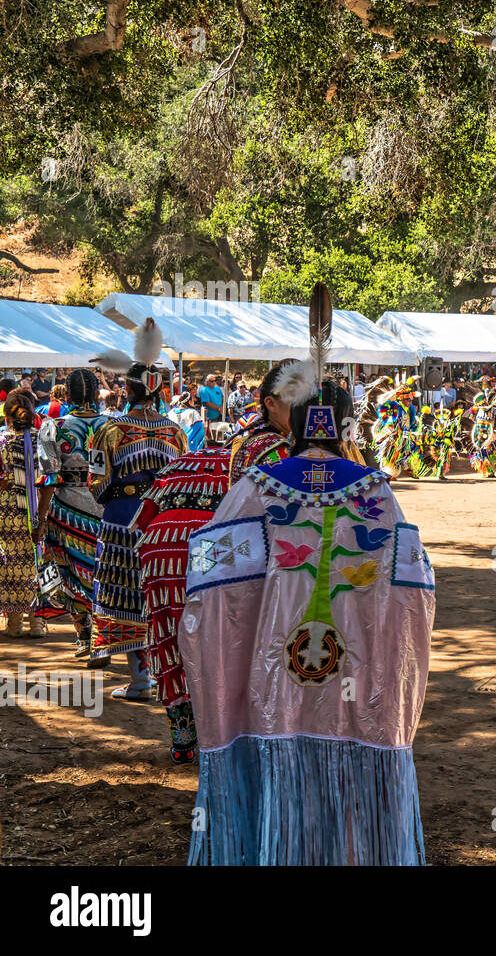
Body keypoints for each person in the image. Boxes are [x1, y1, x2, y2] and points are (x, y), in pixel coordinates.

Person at [180, 286, 435, 864]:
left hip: (274, 688)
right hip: (354, 689)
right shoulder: (376, 494)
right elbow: (413, 602)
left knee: (281, 735)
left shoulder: (254, 489)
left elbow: (209, 600)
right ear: (344, 423)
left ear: (290, 420)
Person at [86, 319, 189, 698]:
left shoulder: (110, 430)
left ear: (126, 389)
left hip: (121, 518)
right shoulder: (174, 431)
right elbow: (180, 481)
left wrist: (113, 497)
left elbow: (96, 481)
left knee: (124, 589)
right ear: (158, 390)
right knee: (157, 589)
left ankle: (140, 678)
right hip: (162, 520)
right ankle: (165, 677)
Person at [33, 369, 108, 656]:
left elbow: (49, 477)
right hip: (105, 510)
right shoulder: (111, 426)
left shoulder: (55, 426)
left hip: (66, 511)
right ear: (96, 393)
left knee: (68, 571)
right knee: (102, 571)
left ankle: (83, 632)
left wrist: (40, 519)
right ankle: (101, 633)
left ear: (68, 394)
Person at [0, 391, 42, 636]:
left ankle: (14, 623)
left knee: (11, 562)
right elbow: (49, 479)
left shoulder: (2, 441)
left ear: (8, 417)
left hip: (8, 509)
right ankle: (36, 622)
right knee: (35, 560)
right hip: (35, 506)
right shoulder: (43, 439)